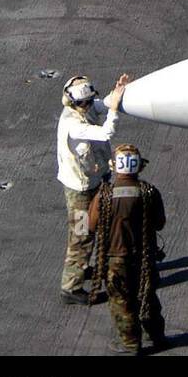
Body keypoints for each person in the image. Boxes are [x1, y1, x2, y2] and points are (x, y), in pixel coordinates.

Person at [56, 72, 130, 304]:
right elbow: (106, 132)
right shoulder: (73, 124)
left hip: (93, 181)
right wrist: (115, 110)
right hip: (80, 191)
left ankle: (81, 268)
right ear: (73, 102)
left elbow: (103, 104)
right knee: (81, 235)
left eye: (89, 101)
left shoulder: (84, 109)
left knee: (91, 229)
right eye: (83, 103)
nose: (88, 106)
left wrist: (116, 94)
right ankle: (71, 287)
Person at [88, 144, 167, 355]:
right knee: (147, 296)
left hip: (115, 258)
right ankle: (157, 336)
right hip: (144, 257)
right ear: (139, 167)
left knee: (121, 301)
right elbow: (160, 223)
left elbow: (91, 226)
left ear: (115, 167)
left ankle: (131, 344)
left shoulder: (104, 196)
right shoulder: (149, 192)